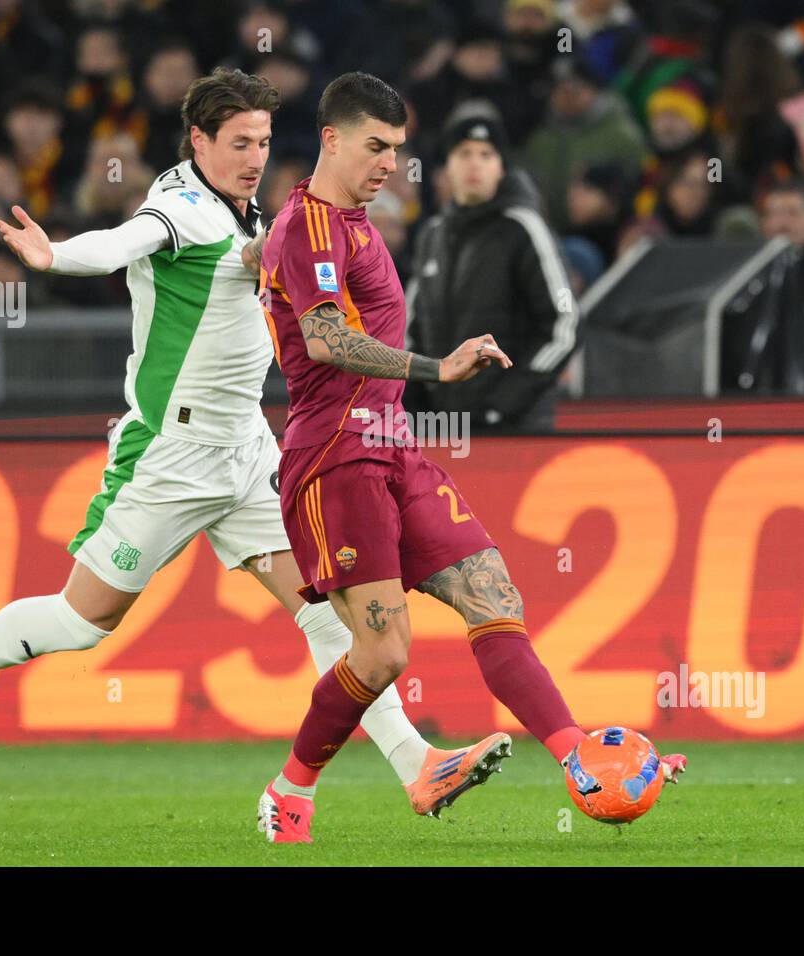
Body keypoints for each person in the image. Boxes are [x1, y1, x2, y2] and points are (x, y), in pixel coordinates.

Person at [0, 67, 504, 822]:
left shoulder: (247, 215)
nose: (254, 157)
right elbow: (124, 241)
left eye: (265, 142)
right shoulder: (177, 206)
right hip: (169, 456)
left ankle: (417, 767)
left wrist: (265, 257)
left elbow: (251, 263)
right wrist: (57, 256)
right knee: (84, 620)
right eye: (238, 142)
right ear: (198, 141)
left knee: (323, 613)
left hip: (248, 454)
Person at [252, 72, 685, 844]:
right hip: (335, 458)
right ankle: (289, 793)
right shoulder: (312, 227)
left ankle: (578, 757)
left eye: (399, 150)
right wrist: (436, 368)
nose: (392, 164)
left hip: (394, 448)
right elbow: (323, 338)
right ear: (331, 139)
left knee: (493, 594)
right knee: (383, 653)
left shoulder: (353, 225)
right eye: (376, 146)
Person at [407, 115, 579, 431]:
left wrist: (502, 406)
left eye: (486, 155)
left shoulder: (524, 228)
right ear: (446, 169)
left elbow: (565, 323)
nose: (475, 164)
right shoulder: (432, 235)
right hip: (444, 426)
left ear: (501, 168)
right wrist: (414, 400)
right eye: (464, 154)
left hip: (517, 429)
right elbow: (411, 328)